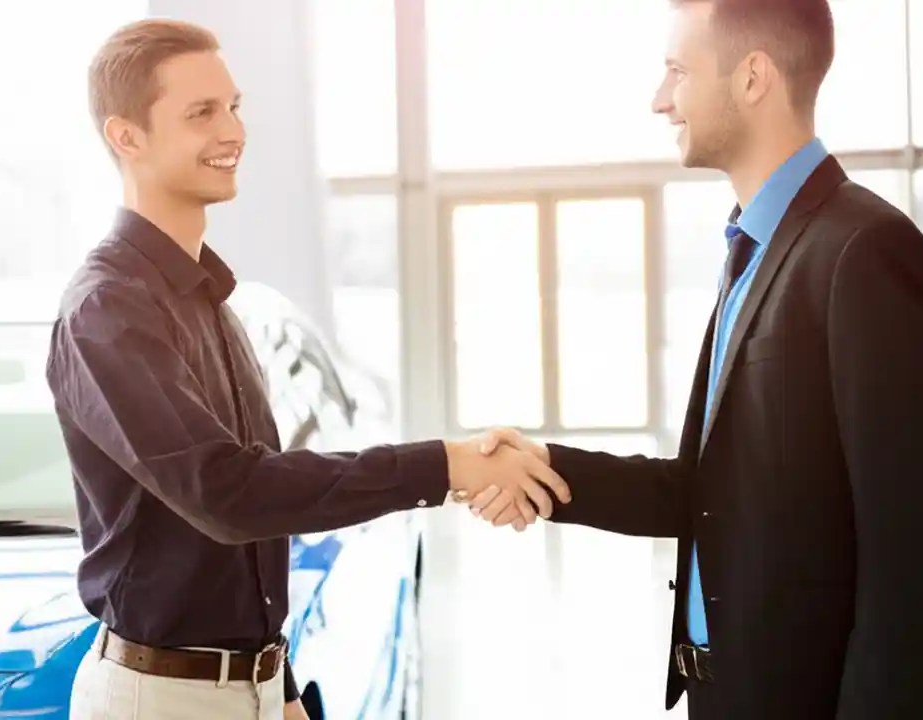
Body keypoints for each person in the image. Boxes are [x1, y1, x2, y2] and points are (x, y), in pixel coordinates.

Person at [45, 18, 568, 720]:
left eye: (233, 107)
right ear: (126, 136)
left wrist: (278, 684)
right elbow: (226, 493)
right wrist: (447, 465)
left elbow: (247, 526)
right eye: (202, 113)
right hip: (162, 700)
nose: (232, 131)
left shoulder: (215, 305)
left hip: (248, 688)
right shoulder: (109, 308)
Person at [470, 1, 923, 718]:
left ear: (753, 78)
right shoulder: (754, 253)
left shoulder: (866, 254)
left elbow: (914, 552)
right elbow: (703, 493)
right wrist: (543, 467)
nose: (659, 99)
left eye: (676, 71)